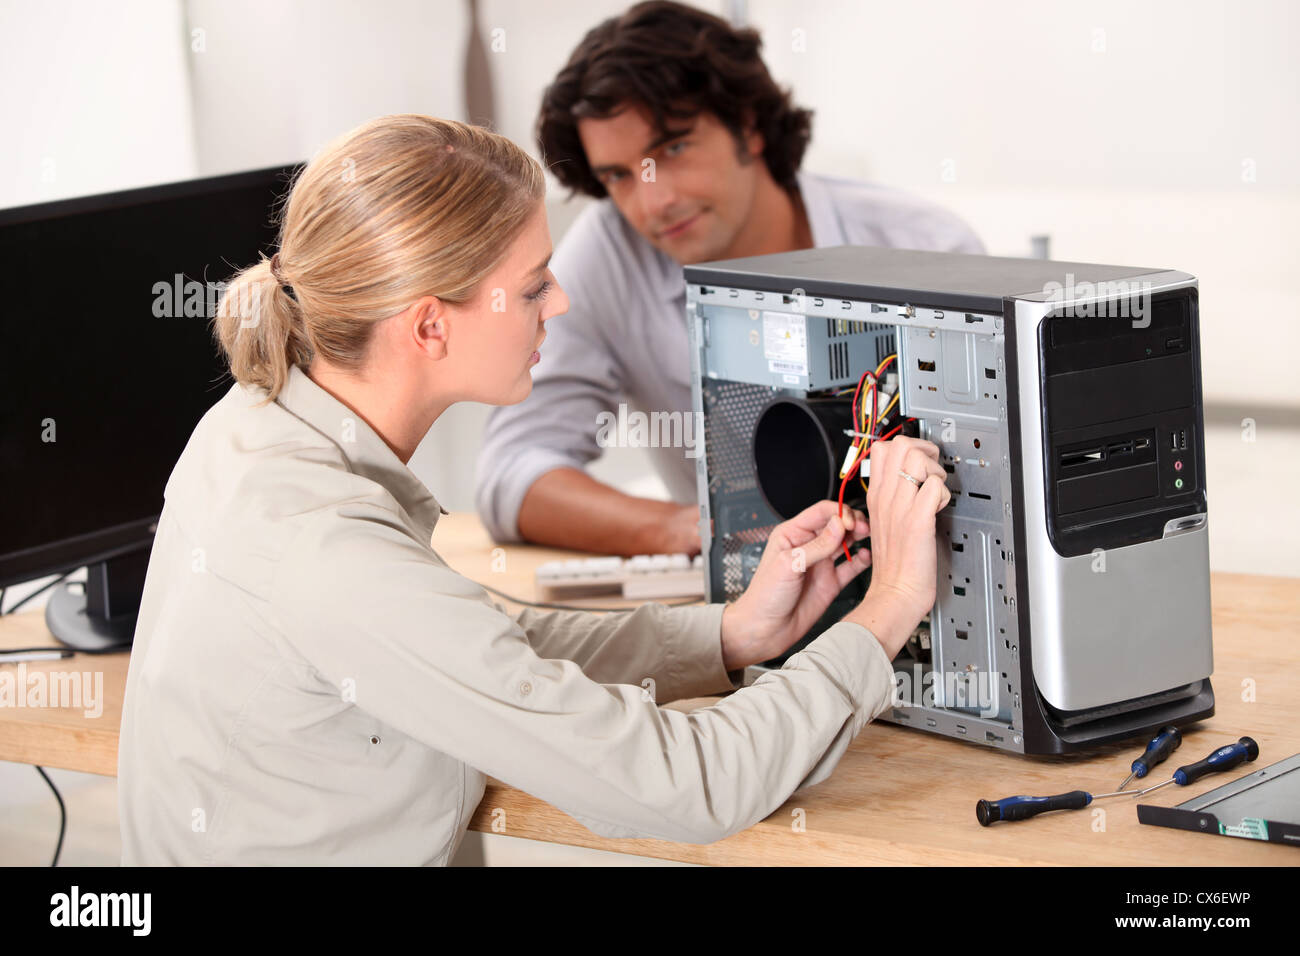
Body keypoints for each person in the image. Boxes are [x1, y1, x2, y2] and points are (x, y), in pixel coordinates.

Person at [116, 114, 950, 865]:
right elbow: (689, 786)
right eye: (531, 285)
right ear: (430, 325)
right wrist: (888, 610)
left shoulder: (254, 422)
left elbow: (482, 645)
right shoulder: (324, 550)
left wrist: (727, 636)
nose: (562, 299)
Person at [475, 0, 981, 556]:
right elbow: (512, 474)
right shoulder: (610, 252)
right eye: (618, 175)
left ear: (749, 125)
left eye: (673, 148)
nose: (653, 202)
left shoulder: (927, 245)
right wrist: (696, 531)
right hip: (745, 607)